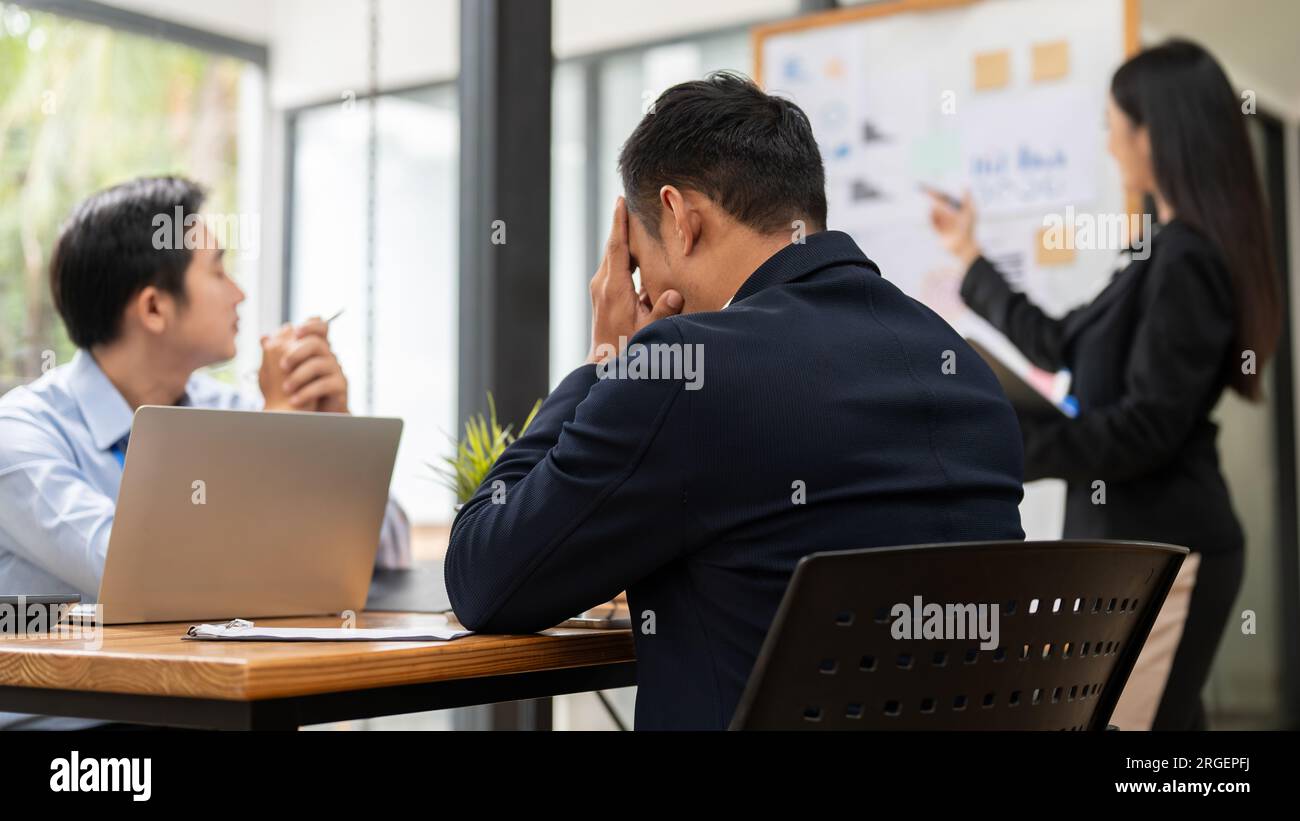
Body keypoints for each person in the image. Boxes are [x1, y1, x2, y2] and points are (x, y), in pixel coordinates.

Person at [445, 72, 1025, 730]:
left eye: (637, 262)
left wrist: (602, 361)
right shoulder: (965, 371)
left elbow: (483, 578)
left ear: (680, 217)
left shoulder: (684, 373)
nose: (642, 289)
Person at [928, 40, 1280, 730]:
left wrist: (1017, 447)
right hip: (1135, 549)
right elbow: (1061, 344)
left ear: (1154, 133)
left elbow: (1148, 427)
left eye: (1115, 125)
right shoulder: (1159, 250)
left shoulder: (1185, 260)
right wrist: (970, 256)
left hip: (1170, 548)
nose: (1110, 143)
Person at [0, 176, 410, 729]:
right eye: (218, 269)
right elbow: (144, 576)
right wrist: (279, 430)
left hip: (209, 712)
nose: (239, 293)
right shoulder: (22, 435)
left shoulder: (230, 408)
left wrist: (333, 429)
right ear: (153, 308)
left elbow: (387, 550)